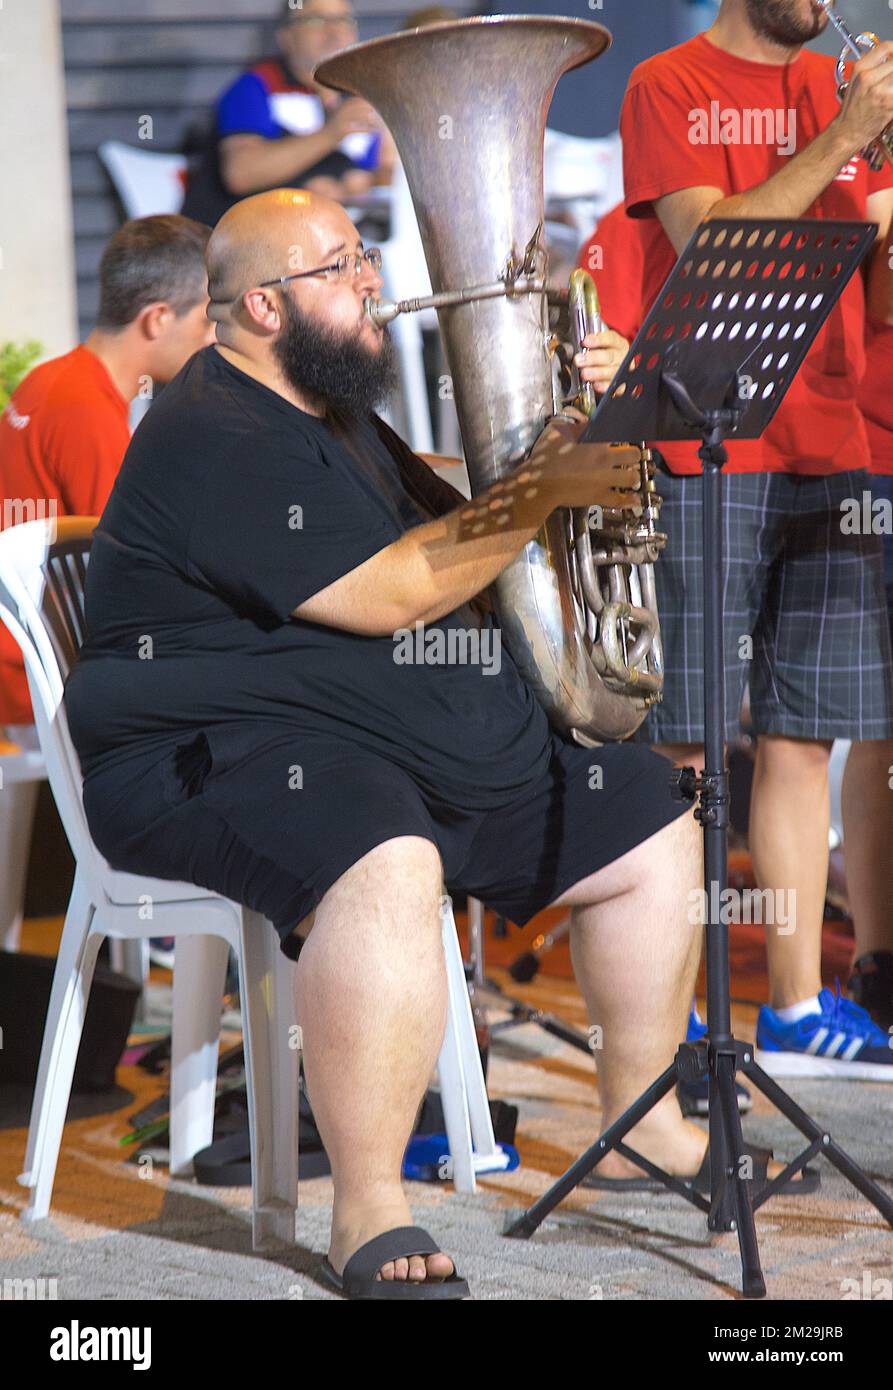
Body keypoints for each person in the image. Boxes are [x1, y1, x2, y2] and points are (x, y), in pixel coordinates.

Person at [65, 186, 817, 1298]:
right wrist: (548, 483)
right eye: (341, 266)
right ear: (265, 305)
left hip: (371, 735)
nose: (374, 281)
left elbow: (444, 512)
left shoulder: (325, 408)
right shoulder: (213, 428)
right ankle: (367, 1207)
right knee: (386, 857)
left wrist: (577, 428)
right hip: (208, 751)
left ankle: (642, 1123)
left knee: (649, 810)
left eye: (364, 255)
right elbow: (395, 590)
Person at [603, 0, 893, 1079]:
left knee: (802, 737)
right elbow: (712, 244)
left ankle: (794, 1004)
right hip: (705, 441)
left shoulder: (836, 87)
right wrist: (843, 136)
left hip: (832, 441)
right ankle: (665, 1012)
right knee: (684, 742)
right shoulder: (667, 85)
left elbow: (874, 284)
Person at [0, 213, 214, 948]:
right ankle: (185, 924)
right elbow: (135, 579)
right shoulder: (88, 410)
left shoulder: (53, 378)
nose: (214, 339)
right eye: (206, 319)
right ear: (157, 319)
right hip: (27, 676)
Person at [180, 0, 395, 227]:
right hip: (243, 235)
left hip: (342, 236)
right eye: (316, 20)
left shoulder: (363, 96)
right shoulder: (258, 85)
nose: (335, 30)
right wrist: (331, 133)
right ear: (286, 36)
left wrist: (368, 181)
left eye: (343, 20)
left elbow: (379, 178)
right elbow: (241, 174)